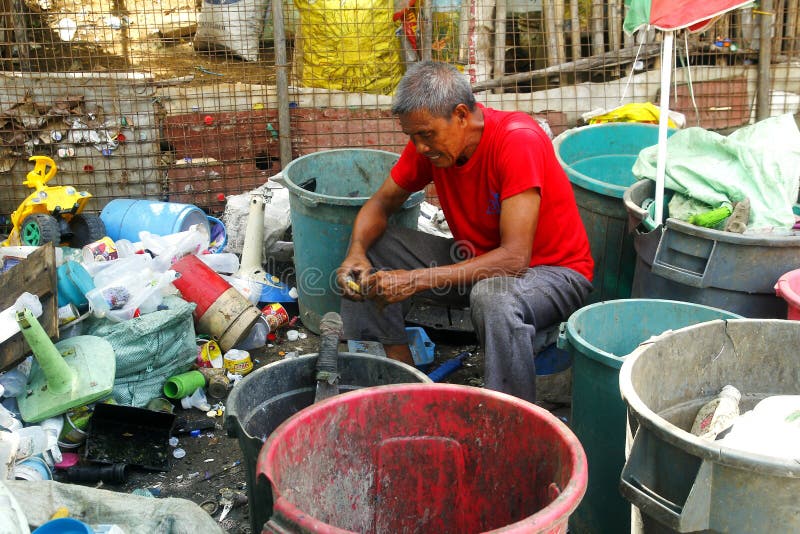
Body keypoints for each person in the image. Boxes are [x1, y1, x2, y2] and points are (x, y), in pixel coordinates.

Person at [336, 61, 594, 403]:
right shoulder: (429, 146)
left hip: (554, 274)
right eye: (413, 137)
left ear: (460, 115)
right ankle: (400, 382)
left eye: (426, 134)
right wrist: (356, 251)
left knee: (493, 297)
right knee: (374, 247)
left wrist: (415, 280)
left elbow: (515, 259)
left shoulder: (517, 140)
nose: (420, 146)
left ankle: (512, 417)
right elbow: (380, 205)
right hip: (478, 263)